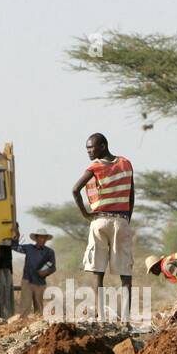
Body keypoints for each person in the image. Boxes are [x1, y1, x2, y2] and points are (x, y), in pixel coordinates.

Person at [71, 133, 134, 321]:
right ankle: (125, 318)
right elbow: (132, 195)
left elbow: (75, 190)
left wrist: (85, 214)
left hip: (100, 220)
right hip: (121, 221)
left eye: (92, 148)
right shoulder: (126, 163)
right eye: (87, 149)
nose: (89, 152)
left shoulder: (95, 166)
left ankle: (100, 316)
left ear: (103, 146)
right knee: (125, 273)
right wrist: (126, 219)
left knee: (97, 271)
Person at [11, 224, 57, 317]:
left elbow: (53, 267)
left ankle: (38, 326)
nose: (42, 240)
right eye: (40, 238)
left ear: (46, 239)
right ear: (36, 238)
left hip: (40, 283)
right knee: (25, 307)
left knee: (39, 309)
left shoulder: (49, 252)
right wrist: (16, 236)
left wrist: (45, 272)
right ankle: (23, 326)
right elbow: (15, 247)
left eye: (44, 238)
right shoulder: (28, 248)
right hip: (27, 281)